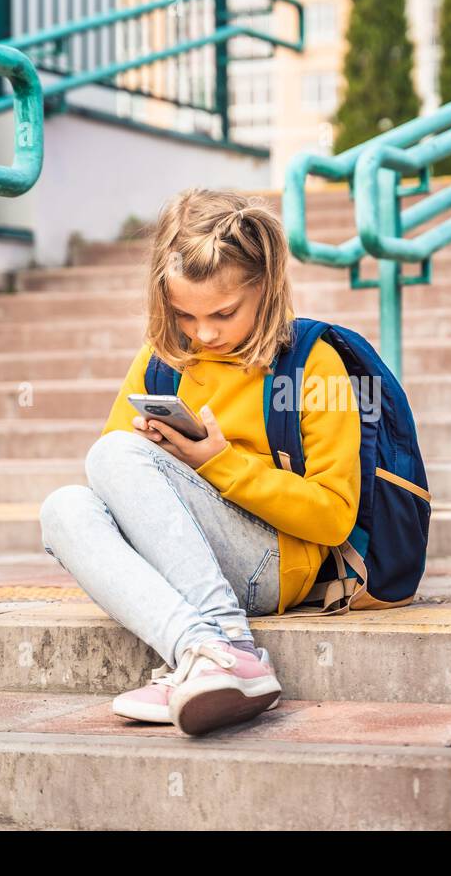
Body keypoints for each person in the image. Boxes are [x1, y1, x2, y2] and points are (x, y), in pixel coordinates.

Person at [39, 188, 362, 736]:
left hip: (272, 565)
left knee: (115, 451)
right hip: (184, 557)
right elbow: (115, 475)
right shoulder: (164, 359)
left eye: (223, 313)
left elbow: (334, 518)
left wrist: (217, 462)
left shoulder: (313, 363)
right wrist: (168, 460)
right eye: (184, 314)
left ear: (266, 288)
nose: (204, 332)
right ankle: (203, 649)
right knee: (63, 507)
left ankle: (230, 645)